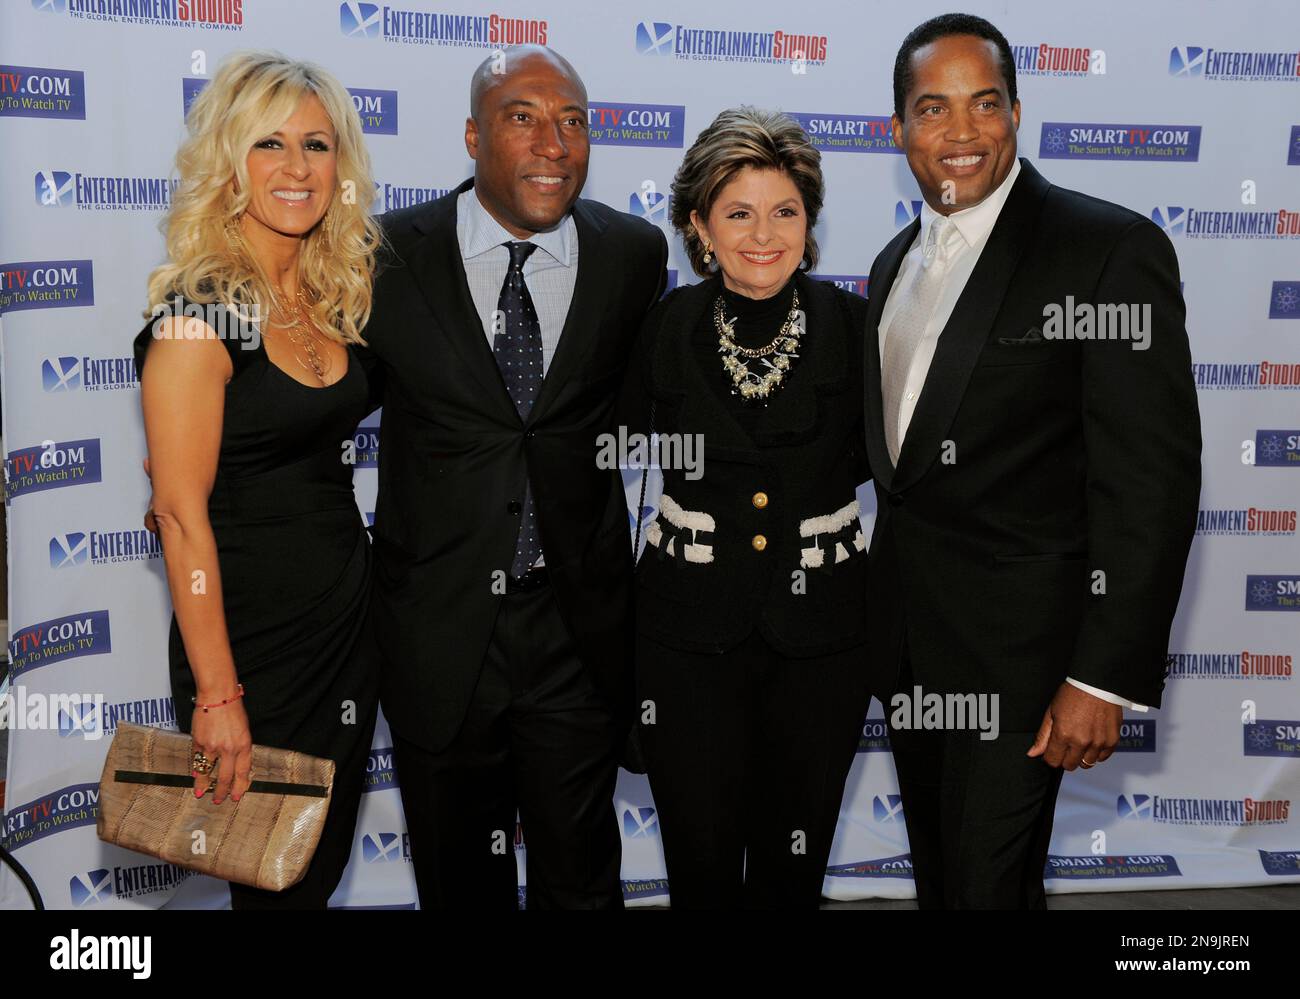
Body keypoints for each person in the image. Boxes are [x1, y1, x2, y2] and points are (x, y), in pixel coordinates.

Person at [863, 14, 1201, 909]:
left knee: (986, 887)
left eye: (985, 103)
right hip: (909, 653)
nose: (961, 132)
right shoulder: (892, 262)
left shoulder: (1103, 250)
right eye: (933, 108)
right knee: (946, 882)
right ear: (899, 127)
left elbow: (1150, 478)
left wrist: (1101, 675)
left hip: (1027, 662)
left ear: (1019, 110)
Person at [359, 45, 668, 909]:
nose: (553, 142)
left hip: (575, 627)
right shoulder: (383, 254)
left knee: (581, 877)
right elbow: (318, 401)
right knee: (461, 883)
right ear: (471, 134)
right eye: (522, 118)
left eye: (572, 121)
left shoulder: (632, 253)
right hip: (440, 629)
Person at [134, 50, 384, 909]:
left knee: (314, 875)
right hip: (251, 653)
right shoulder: (196, 321)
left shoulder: (334, 300)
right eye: (269, 144)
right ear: (228, 163)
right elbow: (177, 514)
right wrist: (217, 695)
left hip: (346, 637)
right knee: (273, 887)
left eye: (317, 145)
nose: (296, 168)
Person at [620, 107, 873, 909]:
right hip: (685, 647)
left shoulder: (859, 330)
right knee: (699, 872)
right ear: (699, 226)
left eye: (785, 210)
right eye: (738, 212)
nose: (763, 233)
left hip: (820, 651)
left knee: (791, 876)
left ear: (809, 219)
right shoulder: (660, 330)